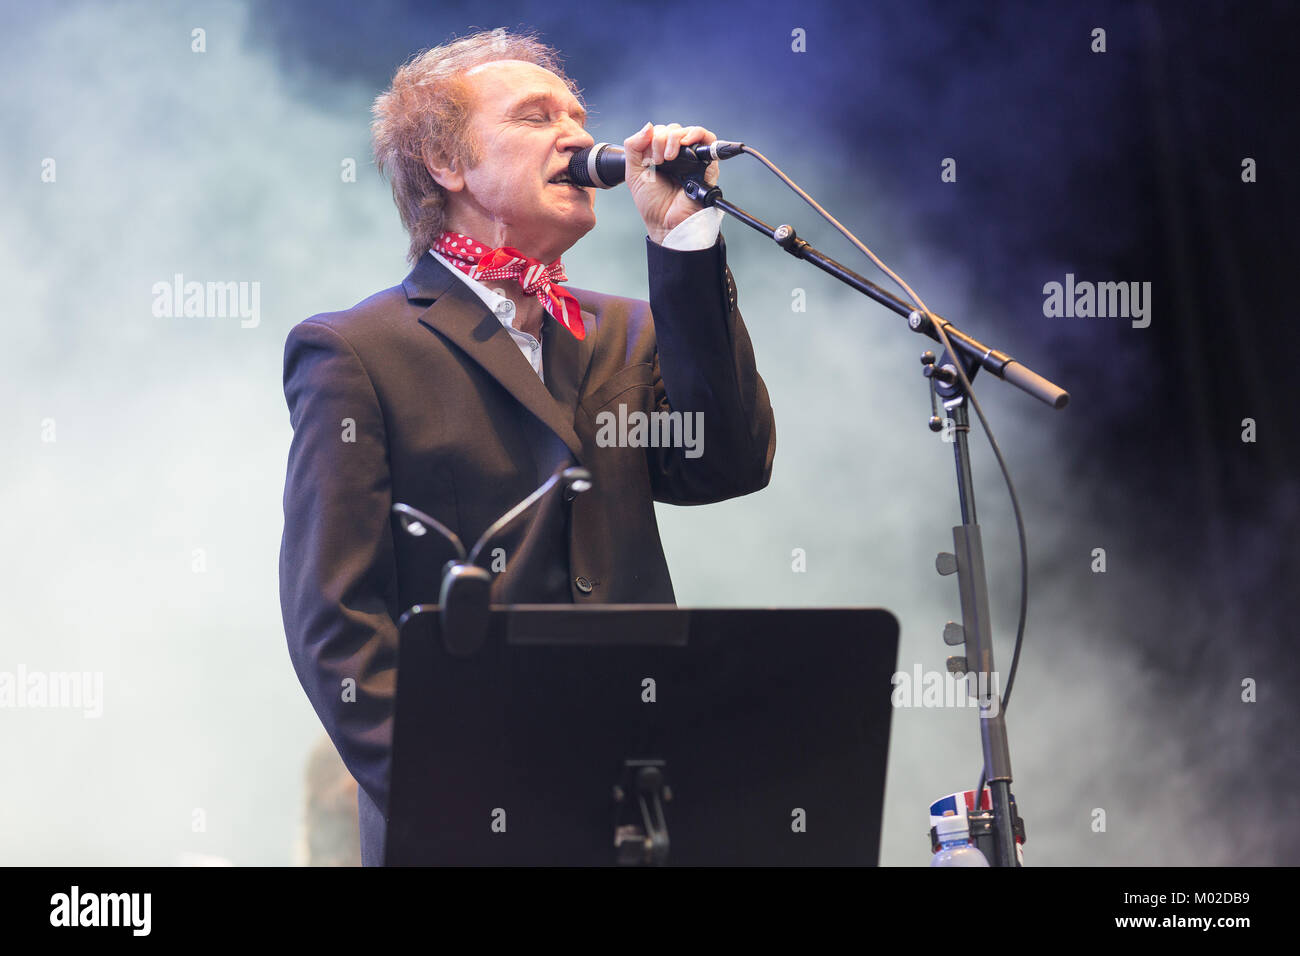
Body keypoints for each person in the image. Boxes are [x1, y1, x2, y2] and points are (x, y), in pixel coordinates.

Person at [278, 29, 776, 865]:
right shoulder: (357, 351)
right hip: (470, 821)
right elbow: (336, 622)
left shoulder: (630, 326)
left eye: (580, 115)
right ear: (445, 160)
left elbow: (724, 462)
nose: (580, 137)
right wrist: (456, 795)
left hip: (641, 812)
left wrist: (684, 246)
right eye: (537, 116)